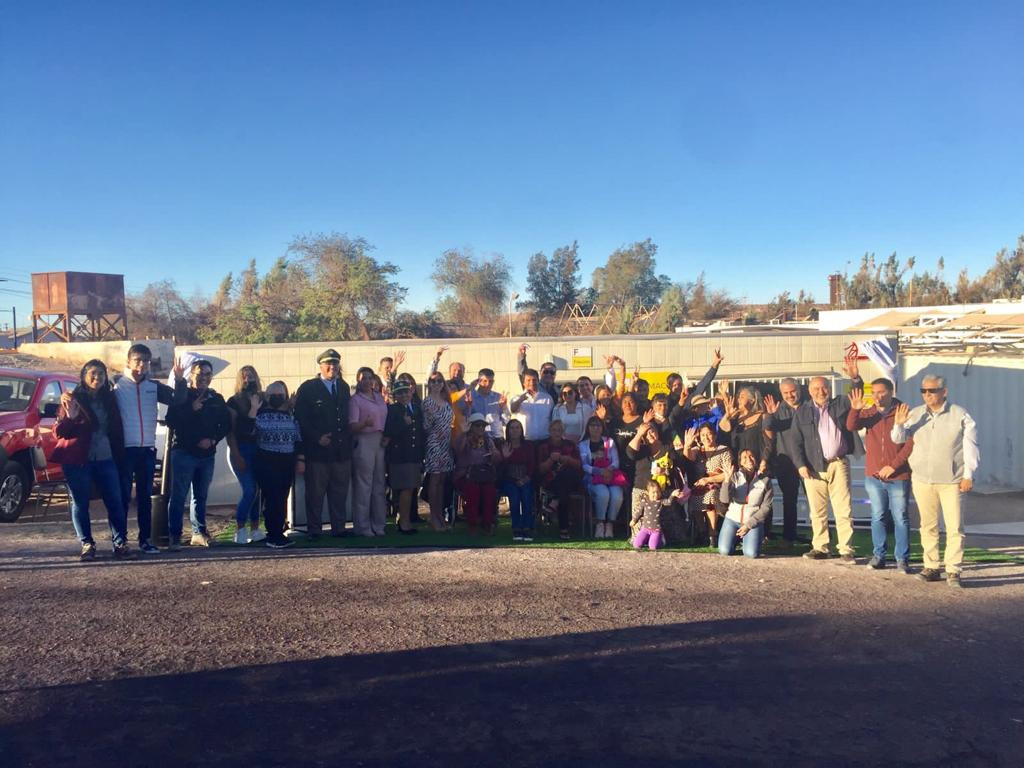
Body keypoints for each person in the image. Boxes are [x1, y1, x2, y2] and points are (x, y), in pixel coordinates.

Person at [892, 375, 979, 588]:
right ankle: (931, 566)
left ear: (944, 391)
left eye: (932, 390)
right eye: (923, 391)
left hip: (952, 480)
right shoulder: (916, 414)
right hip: (922, 479)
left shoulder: (960, 415)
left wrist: (968, 474)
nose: (927, 395)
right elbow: (897, 439)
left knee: (954, 527)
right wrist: (899, 424)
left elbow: (970, 446)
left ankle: (953, 570)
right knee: (927, 525)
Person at [53, 360, 133, 561]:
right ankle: (87, 543)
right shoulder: (73, 399)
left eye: (101, 374)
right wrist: (70, 417)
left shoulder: (110, 399)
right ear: (83, 376)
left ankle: (120, 542)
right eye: (93, 373)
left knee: (115, 501)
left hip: (106, 458)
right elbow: (59, 433)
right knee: (80, 503)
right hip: (79, 460)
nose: (97, 378)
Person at [113, 344, 186, 554]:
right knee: (123, 497)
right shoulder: (116, 384)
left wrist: (179, 380)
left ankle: (145, 540)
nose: (142, 365)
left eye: (146, 361)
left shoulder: (153, 386)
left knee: (145, 498)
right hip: (125, 450)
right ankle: (120, 540)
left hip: (146, 450)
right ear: (128, 362)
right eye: (137, 360)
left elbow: (178, 400)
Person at [791, 357, 863, 563]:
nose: (820, 392)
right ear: (810, 391)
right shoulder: (802, 411)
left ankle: (846, 549)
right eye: (815, 389)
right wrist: (800, 465)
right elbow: (795, 441)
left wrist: (855, 377)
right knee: (817, 510)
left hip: (838, 463)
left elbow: (856, 394)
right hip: (813, 467)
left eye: (823, 388)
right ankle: (820, 547)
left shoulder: (840, 403)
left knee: (843, 508)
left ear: (828, 389)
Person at [847, 379, 914, 573]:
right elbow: (851, 426)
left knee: (900, 517)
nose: (877, 396)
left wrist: (893, 467)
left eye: (881, 392)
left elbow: (910, 444)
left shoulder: (903, 412)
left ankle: (902, 559)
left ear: (891, 392)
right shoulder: (870, 413)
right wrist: (855, 409)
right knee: (877, 516)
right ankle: (879, 555)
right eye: (874, 392)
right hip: (874, 475)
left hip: (898, 475)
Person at [165, 359, 232, 548]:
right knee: (178, 496)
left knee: (200, 496)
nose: (203, 377)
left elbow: (225, 425)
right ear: (192, 375)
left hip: (207, 455)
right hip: (184, 453)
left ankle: (199, 532)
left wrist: (212, 440)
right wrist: (190, 409)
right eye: (199, 373)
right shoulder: (181, 396)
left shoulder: (216, 398)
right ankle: (174, 536)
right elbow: (172, 421)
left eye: (207, 374)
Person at [293, 349, 352, 539]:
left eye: (335, 363)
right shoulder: (309, 388)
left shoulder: (343, 387)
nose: (332, 367)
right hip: (317, 451)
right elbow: (300, 418)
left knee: (339, 492)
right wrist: (317, 437)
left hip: (340, 451)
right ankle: (315, 530)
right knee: (315, 494)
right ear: (320, 366)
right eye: (328, 363)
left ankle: (339, 528)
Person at [252, 381, 303, 549]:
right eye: (273, 395)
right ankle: (272, 534)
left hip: (286, 461)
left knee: (282, 497)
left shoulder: (291, 414)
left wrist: (300, 459)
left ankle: (279, 532)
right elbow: (248, 432)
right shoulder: (259, 413)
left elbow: (298, 438)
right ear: (266, 397)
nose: (276, 397)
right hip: (267, 460)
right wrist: (252, 411)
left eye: (280, 395)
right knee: (272, 498)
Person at [226, 365, 266, 545]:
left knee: (257, 491)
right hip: (241, 449)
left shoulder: (262, 398)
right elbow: (232, 432)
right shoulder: (233, 402)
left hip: (259, 449)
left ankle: (255, 529)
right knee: (249, 489)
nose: (248, 379)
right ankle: (240, 529)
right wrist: (236, 454)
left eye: (251, 376)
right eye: (244, 376)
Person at [763, 378, 805, 544]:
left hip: (810, 462)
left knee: (817, 501)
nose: (790, 395)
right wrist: (770, 414)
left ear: (799, 390)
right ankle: (789, 536)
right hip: (787, 463)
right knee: (789, 500)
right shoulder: (779, 409)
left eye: (792, 391)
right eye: (786, 393)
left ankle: (822, 537)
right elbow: (768, 426)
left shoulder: (809, 407)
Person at [349, 366, 389, 536]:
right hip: (364, 440)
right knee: (364, 485)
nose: (367, 381)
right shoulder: (355, 400)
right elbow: (351, 425)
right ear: (358, 381)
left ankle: (379, 524)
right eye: (363, 378)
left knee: (379, 485)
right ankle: (362, 526)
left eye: (369, 377)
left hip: (380, 441)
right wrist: (364, 424)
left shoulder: (380, 398)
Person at [682, 423, 734, 546]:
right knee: (694, 497)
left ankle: (712, 533)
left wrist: (708, 480)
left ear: (714, 435)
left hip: (719, 486)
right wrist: (687, 445)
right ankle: (702, 531)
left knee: (710, 494)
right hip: (700, 486)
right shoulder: (698, 450)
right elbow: (687, 457)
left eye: (709, 434)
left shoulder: (723, 450)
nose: (706, 437)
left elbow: (728, 474)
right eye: (703, 435)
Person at [383, 379, 424, 534]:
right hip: (400, 456)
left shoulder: (416, 409)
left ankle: (404, 520)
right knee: (404, 490)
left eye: (406, 391)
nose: (404, 395)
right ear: (395, 395)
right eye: (400, 393)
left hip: (413, 456)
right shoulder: (392, 410)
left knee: (411, 489)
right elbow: (388, 433)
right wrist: (403, 424)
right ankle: (403, 522)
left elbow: (420, 433)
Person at [717, 449, 773, 559]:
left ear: (756, 459)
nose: (749, 460)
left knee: (751, 554)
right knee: (724, 551)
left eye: (751, 456)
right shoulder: (734, 477)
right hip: (732, 519)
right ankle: (736, 539)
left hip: (752, 522)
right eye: (745, 457)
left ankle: (752, 540)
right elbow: (724, 499)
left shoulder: (766, 480)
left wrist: (749, 525)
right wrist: (727, 481)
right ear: (740, 462)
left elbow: (766, 507)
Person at [453, 413, 502, 534]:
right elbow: (458, 450)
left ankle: (487, 523)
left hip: (483, 474)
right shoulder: (462, 438)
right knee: (473, 489)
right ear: (471, 426)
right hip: (465, 474)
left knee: (489, 490)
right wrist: (464, 434)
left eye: (483, 426)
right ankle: (472, 523)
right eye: (477, 425)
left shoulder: (487, 439)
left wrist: (496, 454)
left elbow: (496, 458)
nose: (481, 428)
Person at [579, 416, 625, 539]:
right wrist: (599, 471)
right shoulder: (583, 445)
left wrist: (608, 470)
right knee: (603, 493)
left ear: (602, 428)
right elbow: (584, 465)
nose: (595, 428)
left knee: (617, 495)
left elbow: (616, 462)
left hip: (610, 477)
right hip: (593, 478)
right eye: (592, 425)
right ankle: (600, 523)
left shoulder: (609, 442)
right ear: (588, 428)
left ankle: (610, 524)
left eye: (598, 425)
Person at [536, 419, 582, 539]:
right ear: (549, 431)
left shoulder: (570, 445)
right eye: (554, 430)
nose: (557, 433)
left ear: (563, 432)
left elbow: (579, 465)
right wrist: (551, 460)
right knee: (563, 490)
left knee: (567, 475)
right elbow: (540, 470)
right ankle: (564, 528)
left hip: (570, 480)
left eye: (559, 430)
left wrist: (567, 459)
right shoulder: (543, 446)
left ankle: (555, 501)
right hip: (550, 480)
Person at [422, 371, 455, 531]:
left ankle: (440, 516)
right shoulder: (427, 402)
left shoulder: (446, 400)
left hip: (446, 444)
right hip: (434, 443)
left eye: (439, 381)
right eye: (433, 381)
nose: (436, 384)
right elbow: (426, 426)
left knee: (442, 481)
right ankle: (433, 517)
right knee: (434, 481)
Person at [499, 418, 536, 541]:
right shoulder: (504, 445)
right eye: (512, 428)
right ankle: (516, 528)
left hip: (526, 477)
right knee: (514, 499)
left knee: (526, 497)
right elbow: (502, 470)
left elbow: (532, 464)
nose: (515, 430)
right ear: (508, 431)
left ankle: (527, 527)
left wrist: (526, 478)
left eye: (517, 427)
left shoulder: (528, 445)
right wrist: (505, 457)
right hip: (509, 479)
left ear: (521, 430)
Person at [631, 480, 686, 551]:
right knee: (637, 545)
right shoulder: (644, 501)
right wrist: (634, 520)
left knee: (653, 547)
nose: (656, 494)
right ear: (648, 493)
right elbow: (639, 512)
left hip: (656, 530)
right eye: (653, 492)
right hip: (645, 529)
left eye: (658, 492)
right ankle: (646, 538)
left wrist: (672, 494)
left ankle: (661, 540)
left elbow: (668, 502)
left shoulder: (660, 502)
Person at [510, 368, 554, 442]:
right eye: (528, 380)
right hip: (525, 440)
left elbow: (552, 418)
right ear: (523, 383)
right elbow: (513, 410)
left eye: (534, 380)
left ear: (538, 381)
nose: (532, 382)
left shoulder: (547, 398)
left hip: (545, 440)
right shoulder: (517, 398)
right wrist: (521, 400)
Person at [466, 367, 508, 442]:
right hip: (477, 440)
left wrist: (504, 407)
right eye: (485, 381)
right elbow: (467, 421)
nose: (488, 384)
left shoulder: (499, 397)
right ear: (478, 381)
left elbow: (506, 421)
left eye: (491, 381)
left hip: (497, 439)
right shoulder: (471, 398)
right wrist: (468, 406)